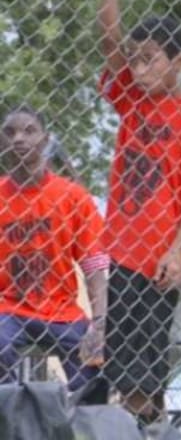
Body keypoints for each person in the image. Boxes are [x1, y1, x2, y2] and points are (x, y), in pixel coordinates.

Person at [97, 0, 181, 424]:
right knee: (123, 359)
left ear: (178, 61)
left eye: (151, 59)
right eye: (136, 60)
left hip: (160, 255)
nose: (139, 68)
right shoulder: (131, 100)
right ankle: (141, 426)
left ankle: (149, 426)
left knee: (147, 356)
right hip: (120, 248)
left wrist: (176, 249)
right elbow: (110, 43)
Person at [0, 106, 109, 390]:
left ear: (46, 140)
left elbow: (94, 264)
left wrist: (99, 323)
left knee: (95, 363)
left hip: (61, 311)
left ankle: (78, 428)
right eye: (9, 132)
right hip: (7, 308)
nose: (18, 139)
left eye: (29, 131)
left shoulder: (71, 196)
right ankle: (13, 420)